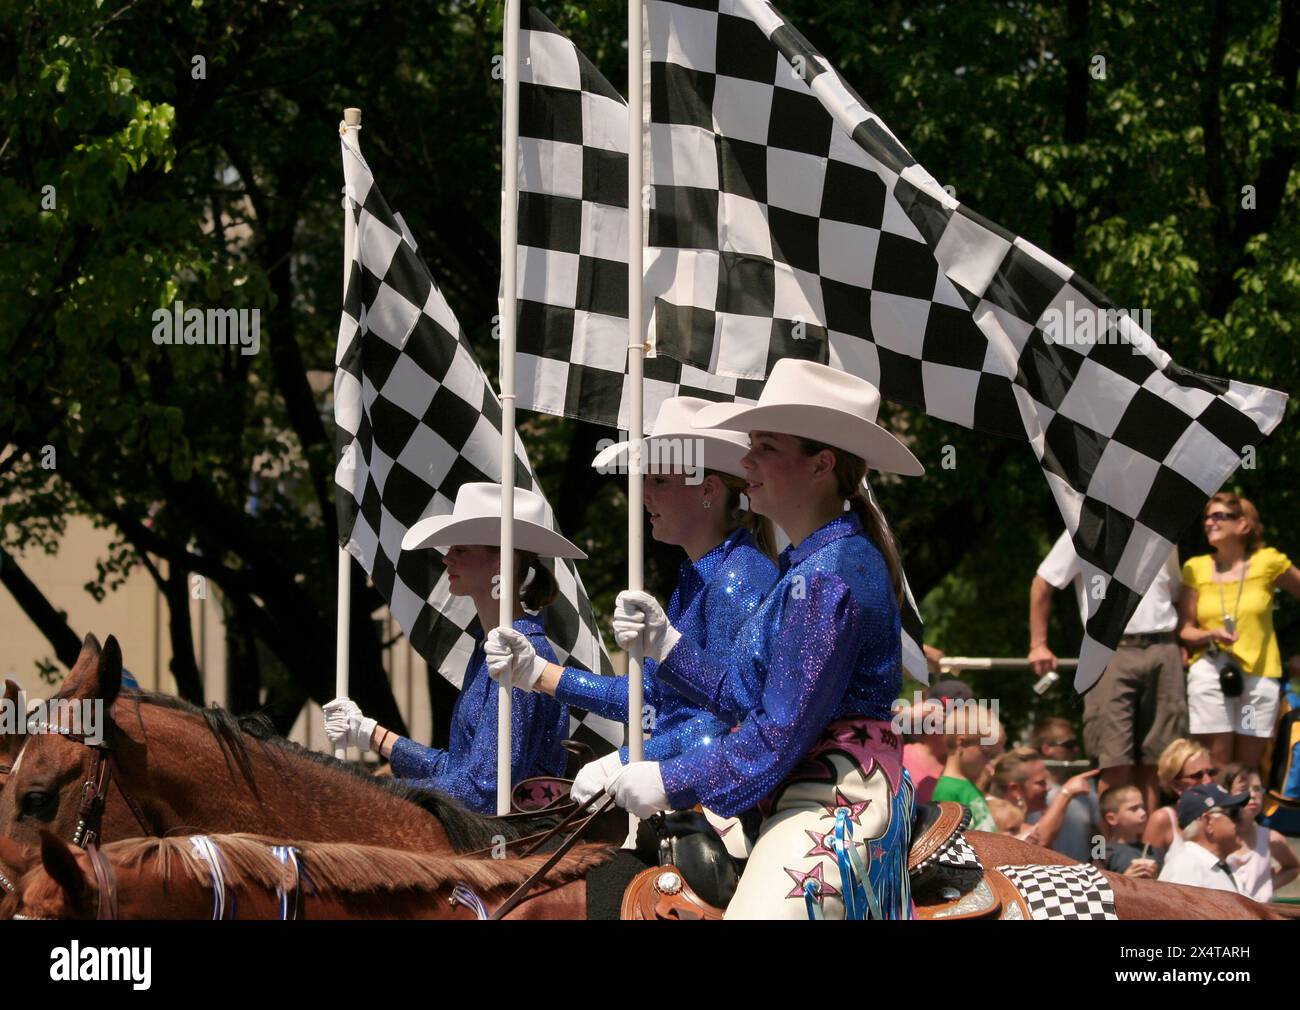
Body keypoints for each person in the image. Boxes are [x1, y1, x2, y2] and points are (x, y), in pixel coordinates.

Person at [526, 359, 924, 919]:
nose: (747, 460)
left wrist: (671, 777)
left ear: (821, 464)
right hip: (799, 788)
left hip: (837, 799)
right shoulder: (808, 567)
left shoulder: (828, 574)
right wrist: (669, 649)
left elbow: (776, 732)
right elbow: (743, 697)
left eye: (765, 446)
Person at [495, 397, 779, 854]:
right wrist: (542, 676)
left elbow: (732, 718)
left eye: (659, 480)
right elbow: (648, 699)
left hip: (725, 808)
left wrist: (630, 759)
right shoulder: (700, 576)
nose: (643, 494)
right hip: (690, 794)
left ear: (708, 489)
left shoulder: (738, 577)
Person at [322, 483, 584, 815]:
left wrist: (372, 790)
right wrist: (373, 735)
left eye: (460, 549)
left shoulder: (524, 657)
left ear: (502, 561)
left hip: (511, 852)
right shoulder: (491, 649)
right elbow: (461, 771)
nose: (446, 557)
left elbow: (484, 791)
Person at [1028, 531, 1185, 813]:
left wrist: (1182, 641)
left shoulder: (1162, 515)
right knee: (1114, 760)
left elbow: (1174, 593)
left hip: (1163, 646)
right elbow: (1043, 582)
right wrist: (1038, 644)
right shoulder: (1086, 517)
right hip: (1110, 648)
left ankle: (1147, 850)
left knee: (1156, 760)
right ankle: (1108, 852)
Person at [1178, 492, 1300, 769]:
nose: (1210, 522)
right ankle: (1216, 813)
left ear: (1243, 524)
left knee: (1246, 769)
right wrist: (1211, 634)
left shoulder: (1268, 561)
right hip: (1210, 670)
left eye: (1219, 516)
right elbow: (1184, 631)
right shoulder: (1195, 568)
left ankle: (1243, 813)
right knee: (1214, 765)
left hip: (1258, 675)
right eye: (1207, 517)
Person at [987, 747, 1099, 858]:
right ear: (1015, 789)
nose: (1048, 788)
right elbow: (1039, 845)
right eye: (1041, 783)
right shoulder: (993, 813)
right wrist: (1066, 793)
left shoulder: (1033, 816)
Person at [1218, 762, 1300, 902]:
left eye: (1257, 789)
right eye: (1244, 789)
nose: (1252, 795)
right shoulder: (1216, 835)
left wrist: (1266, 887)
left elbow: (1293, 867)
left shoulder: (1270, 838)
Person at [1157, 784, 1250, 894]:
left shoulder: (1217, 866)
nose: (1241, 822)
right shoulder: (1185, 867)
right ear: (1208, 822)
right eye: (1234, 814)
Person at [930, 706, 1000, 832]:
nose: (988, 762)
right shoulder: (947, 790)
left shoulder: (968, 785)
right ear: (961, 743)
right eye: (985, 753)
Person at [1142, 738, 1214, 858]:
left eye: (1211, 773)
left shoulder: (1223, 814)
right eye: (1197, 776)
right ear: (1176, 784)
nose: (1208, 781)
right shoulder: (1163, 819)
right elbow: (1147, 869)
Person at [1096, 785, 1161, 879]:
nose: (1143, 813)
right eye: (1134, 809)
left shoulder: (1154, 851)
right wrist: (1125, 879)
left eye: (1142, 807)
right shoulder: (1102, 853)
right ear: (1112, 818)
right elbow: (1098, 888)